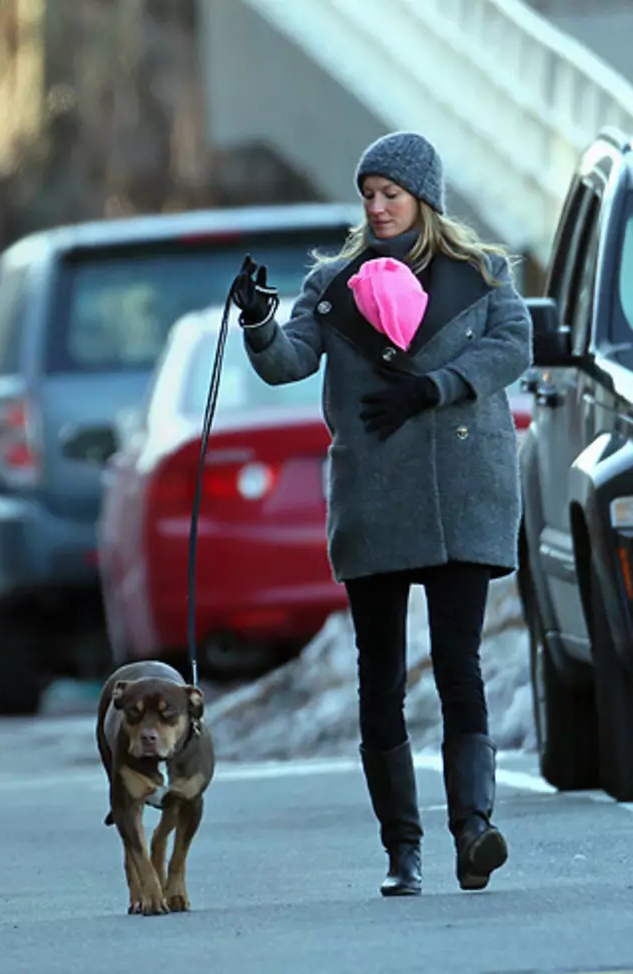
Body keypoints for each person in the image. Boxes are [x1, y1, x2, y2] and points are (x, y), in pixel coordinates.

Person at [229, 131, 532, 897]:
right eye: (368, 195)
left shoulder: (482, 274)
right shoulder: (334, 286)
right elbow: (288, 361)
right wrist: (259, 320)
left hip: (465, 491)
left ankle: (473, 830)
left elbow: (513, 349)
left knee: (462, 668)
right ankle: (403, 850)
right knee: (380, 679)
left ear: (422, 198)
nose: (377, 207)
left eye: (390, 194)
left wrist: (439, 387)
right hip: (375, 498)